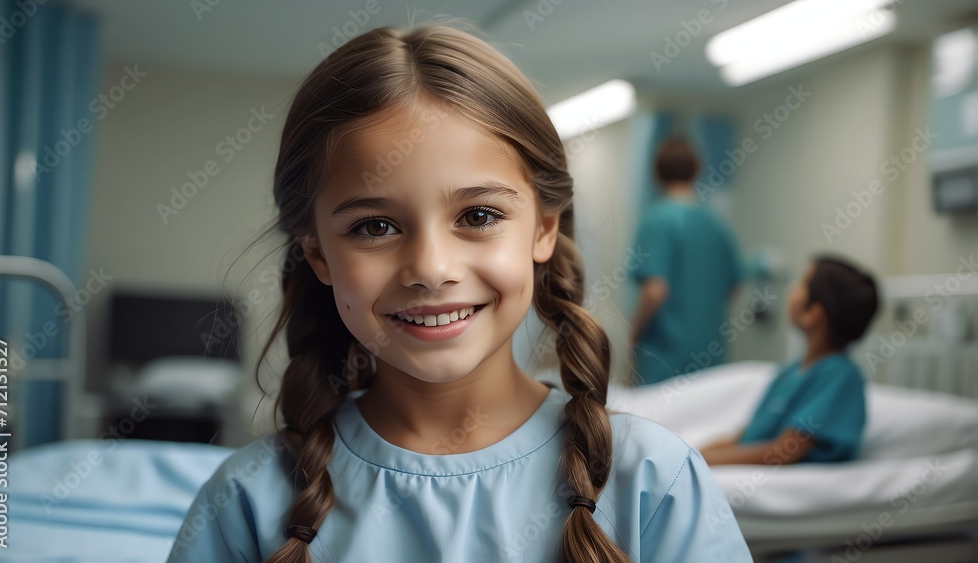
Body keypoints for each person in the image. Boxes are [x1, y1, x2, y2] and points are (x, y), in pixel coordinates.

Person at [167, 24, 752, 563]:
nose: (431, 268)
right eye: (375, 226)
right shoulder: (244, 502)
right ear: (317, 251)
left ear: (545, 227)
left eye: (477, 214)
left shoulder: (654, 481)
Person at [701, 256, 878, 466]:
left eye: (802, 283)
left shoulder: (840, 375)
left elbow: (784, 451)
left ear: (812, 314)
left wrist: (705, 460)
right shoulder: (789, 372)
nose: (792, 288)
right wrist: (691, 453)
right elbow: (743, 438)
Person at [630, 138, 743, 386]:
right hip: (709, 360)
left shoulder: (656, 221)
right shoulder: (716, 224)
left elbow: (654, 289)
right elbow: (733, 287)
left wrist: (631, 335)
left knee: (654, 424)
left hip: (663, 361)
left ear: (656, 172)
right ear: (697, 170)